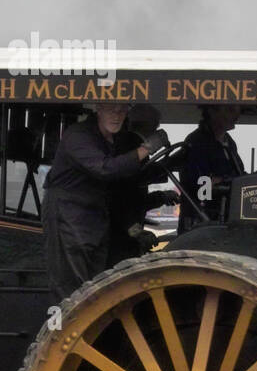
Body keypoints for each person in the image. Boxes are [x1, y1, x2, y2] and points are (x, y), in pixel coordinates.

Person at [43, 102, 168, 302]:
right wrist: (147, 148)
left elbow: (121, 190)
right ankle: (68, 331)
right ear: (98, 108)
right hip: (70, 218)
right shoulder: (78, 136)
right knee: (72, 287)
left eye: (121, 110)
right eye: (111, 109)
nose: (117, 115)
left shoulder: (113, 139)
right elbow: (105, 169)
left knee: (93, 286)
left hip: (94, 221)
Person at [106, 105, 181, 266]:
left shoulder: (125, 143)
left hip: (123, 227)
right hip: (119, 232)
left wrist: (161, 197)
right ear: (150, 125)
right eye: (156, 125)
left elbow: (134, 194)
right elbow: (122, 197)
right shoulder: (132, 145)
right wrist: (135, 232)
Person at [179, 105, 245, 231]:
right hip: (201, 222)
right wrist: (226, 182)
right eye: (230, 110)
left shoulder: (229, 142)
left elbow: (239, 176)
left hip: (226, 219)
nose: (236, 117)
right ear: (212, 112)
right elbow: (201, 186)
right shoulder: (197, 142)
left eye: (238, 112)